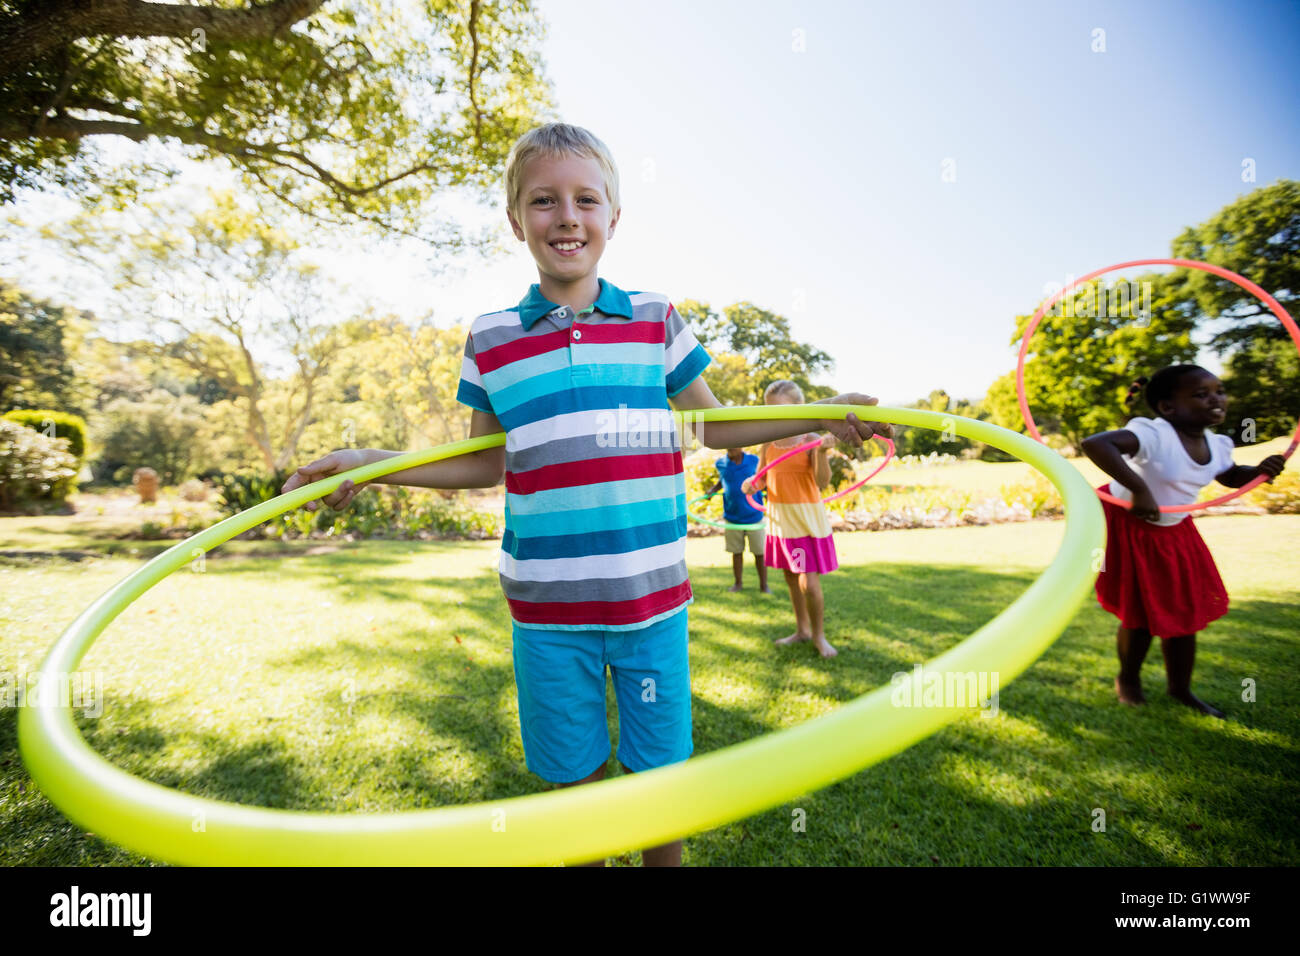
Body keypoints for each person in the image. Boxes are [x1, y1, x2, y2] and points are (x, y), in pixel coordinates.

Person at [281, 123, 891, 865]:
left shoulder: (653, 319)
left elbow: (715, 426)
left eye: (585, 199)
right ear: (516, 221)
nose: (566, 216)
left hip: (650, 602)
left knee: (657, 784)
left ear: (613, 218)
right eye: (544, 200)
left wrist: (823, 412)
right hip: (547, 612)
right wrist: (366, 463)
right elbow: (482, 463)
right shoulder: (491, 338)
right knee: (577, 791)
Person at [1080, 364, 1286, 718]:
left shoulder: (1218, 444)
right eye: (1201, 394)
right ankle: (1128, 681)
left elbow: (1229, 475)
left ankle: (1181, 689)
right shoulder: (1154, 434)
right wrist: (1141, 490)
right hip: (1131, 524)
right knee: (1141, 613)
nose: (1216, 399)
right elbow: (1096, 444)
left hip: (1175, 529)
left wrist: (1258, 471)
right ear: (1167, 407)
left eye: (1219, 391)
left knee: (1184, 609)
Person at [743, 380, 841, 659]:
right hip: (781, 520)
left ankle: (819, 636)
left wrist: (821, 453)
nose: (776, 416)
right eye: (770, 410)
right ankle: (802, 630)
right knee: (789, 576)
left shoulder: (811, 440)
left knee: (808, 582)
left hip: (805, 518)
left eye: (782, 409)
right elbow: (762, 478)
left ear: (799, 408)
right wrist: (751, 484)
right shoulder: (769, 444)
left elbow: (822, 482)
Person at [705, 447, 770, 593]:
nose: (731, 448)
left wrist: (769, 493)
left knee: (760, 553)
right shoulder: (720, 463)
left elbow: (763, 480)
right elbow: (722, 481)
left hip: (754, 515)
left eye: (734, 445)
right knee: (736, 552)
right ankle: (738, 583)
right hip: (733, 517)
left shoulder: (754, 460)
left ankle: (764, 585)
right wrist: (712, 490)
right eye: (729, 445)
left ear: (741, 446)